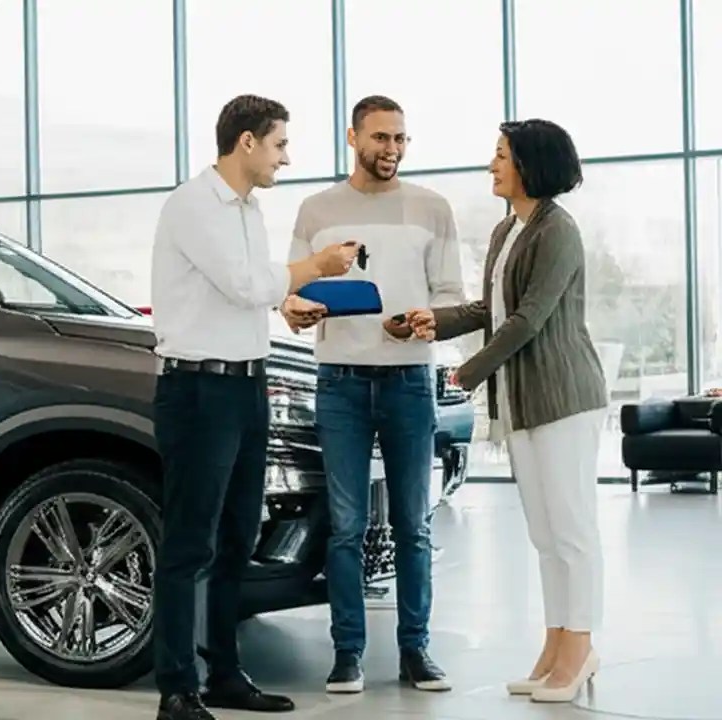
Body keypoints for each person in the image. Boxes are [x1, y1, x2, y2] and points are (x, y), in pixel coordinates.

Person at [149, 94, 359, 720]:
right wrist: (312, 268)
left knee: (238, 534)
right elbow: (244, 282)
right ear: (246, 142)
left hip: (244, 386)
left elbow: (246, 291)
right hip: (197, 390)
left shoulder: (249, 212)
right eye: (279, 145)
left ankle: (223, 675)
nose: (285, 158)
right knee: (190, 542)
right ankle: (176, 690)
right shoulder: (193, 205)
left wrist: (289, 301)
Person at [405, 118, 607, 704]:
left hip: (564, 398)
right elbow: (491, 308)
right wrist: (435, 321)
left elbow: (528, 320)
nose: (491, 165)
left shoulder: (557, 232)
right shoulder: (507, 231)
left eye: (500, 156)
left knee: (572, 530)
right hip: (522, 402)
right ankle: (556, 644)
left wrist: (465, 373)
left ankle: (581, 646)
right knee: (546, 535)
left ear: (529, 164)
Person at [283, 95, 463, 695]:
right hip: (339, 381)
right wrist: (299, 313)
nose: (392, 149)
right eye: (381, 138)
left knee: (414, 523)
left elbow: (450, 295)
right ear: (354, 137)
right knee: (346, 526)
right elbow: (293, 291)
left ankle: (416, 650)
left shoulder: (432, 209)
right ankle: (347, 655)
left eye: (401, 139)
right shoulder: (316, 209)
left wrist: (420, 319)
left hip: (410, 379)